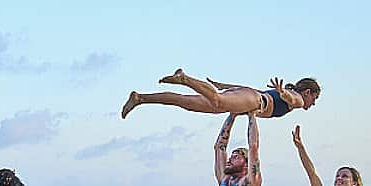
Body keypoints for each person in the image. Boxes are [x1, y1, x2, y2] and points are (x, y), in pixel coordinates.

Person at [121, 69, 320, 120]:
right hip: (254, 101)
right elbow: (291, 99)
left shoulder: (292, 95)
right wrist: (283, 93)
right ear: (308, 92)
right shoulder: (299, 99)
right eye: (315, 98)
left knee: (186, 102)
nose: (313, 104)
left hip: (248, 98)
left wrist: (224, 84)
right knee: (216, 98)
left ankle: (140, 98)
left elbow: (248, 90)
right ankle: (184, 79)